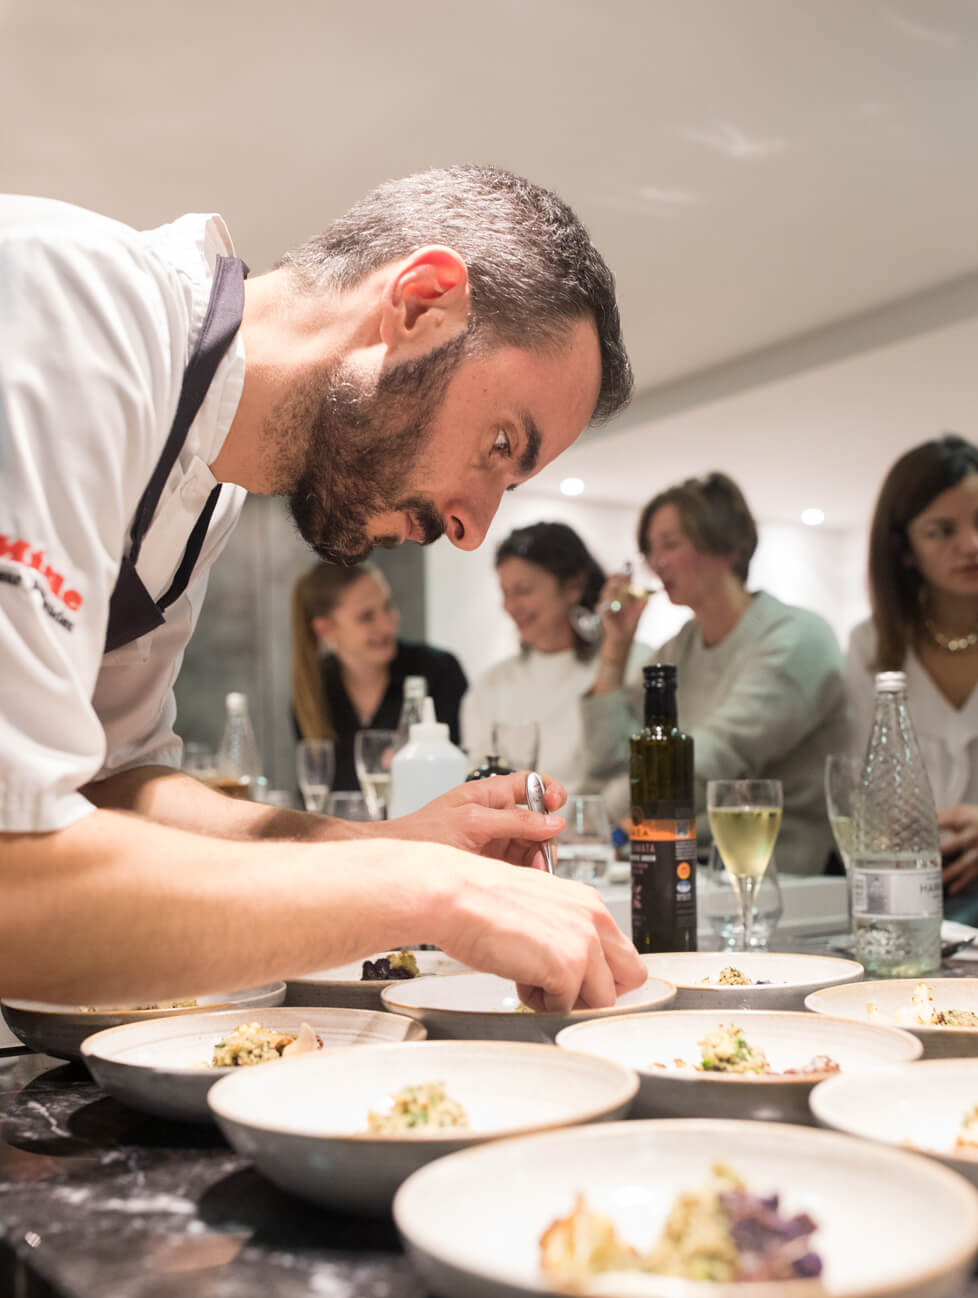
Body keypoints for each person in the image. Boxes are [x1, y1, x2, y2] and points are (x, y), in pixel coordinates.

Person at [0, 166, 646, 1013]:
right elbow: (19, 877)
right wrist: (423, 893)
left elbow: (116, 788)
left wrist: (381, 845)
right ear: (418, 303)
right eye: (499, 444)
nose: (472, 530)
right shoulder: (74, 300)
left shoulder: (206, 493)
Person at [580, 472, 849, 874]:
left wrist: (592, 824)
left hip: (782, 872)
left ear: (728, 546)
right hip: (689, 863)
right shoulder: (679, 648)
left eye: (670, 544)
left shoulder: (797, 637)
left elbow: (717, 756)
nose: (657, 563)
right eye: (650, 550)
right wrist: (616, 646)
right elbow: (613, 756)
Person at [846, 435, 978, 925]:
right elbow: (865, 794)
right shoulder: (872, 647)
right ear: (904, 549)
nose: (973, 545)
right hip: (913, 900)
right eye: (942, 531)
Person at [460, 521, 650, 792]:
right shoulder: (492, 684)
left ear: (574, 586)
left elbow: (634, 771)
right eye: (505, 593)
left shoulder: (636, 664)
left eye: (524, 590)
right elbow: (478, 782)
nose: (511, 607)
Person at [291, 560, 467, 790]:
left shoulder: (438, 671)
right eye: (366, 617)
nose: (387, 625)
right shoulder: (313, 694)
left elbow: (464, 771)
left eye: (387, 606)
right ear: (325, 629)